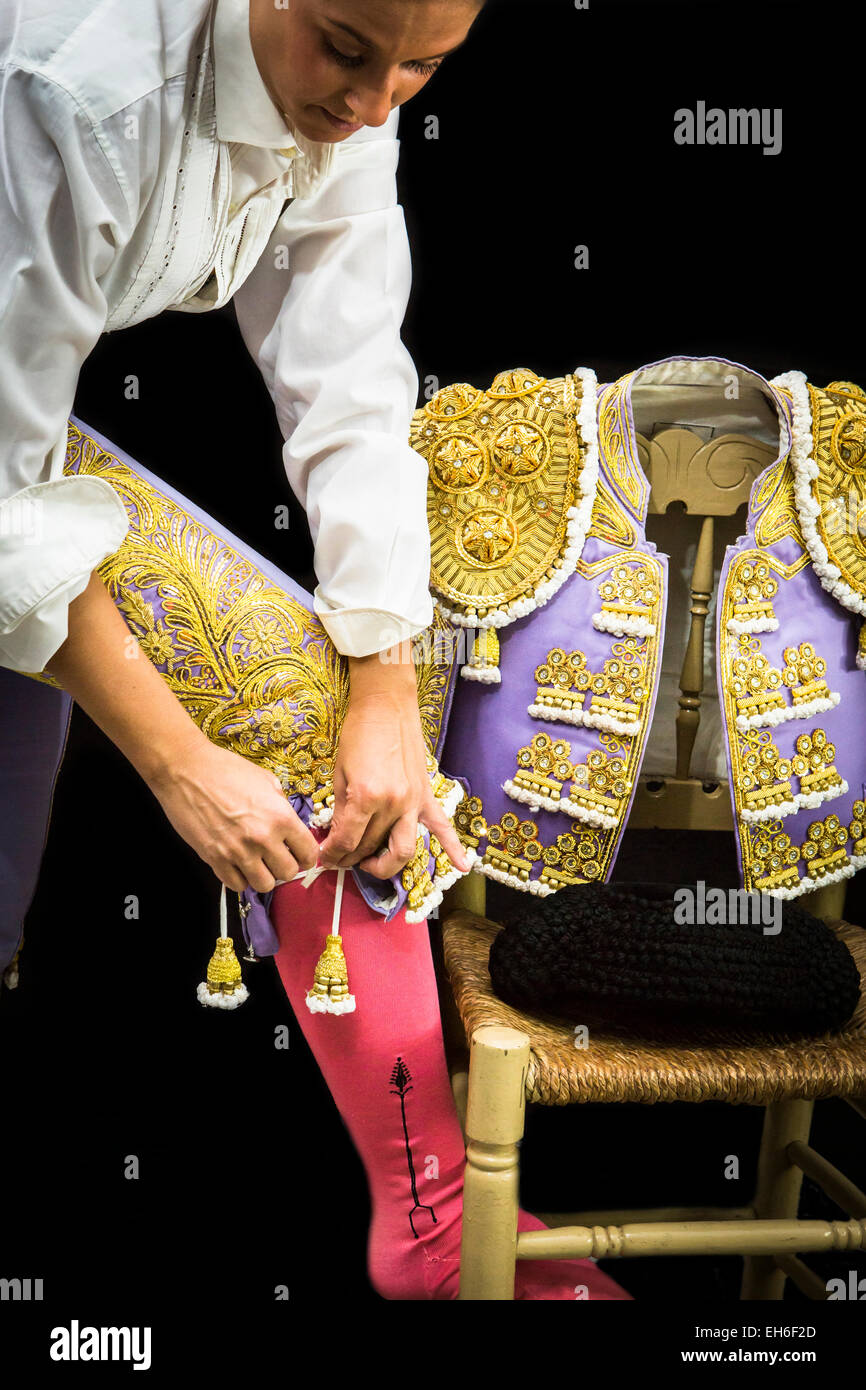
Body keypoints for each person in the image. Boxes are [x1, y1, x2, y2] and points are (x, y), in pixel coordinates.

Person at [0, 0, 633, 1300]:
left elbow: (346, 380)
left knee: (306, 690)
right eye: (347, 48)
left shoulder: (357, 91)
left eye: (423, 68)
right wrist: (178, 761)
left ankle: (433, 1212)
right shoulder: (74, 86)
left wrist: (384, 682)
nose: (373, 103)